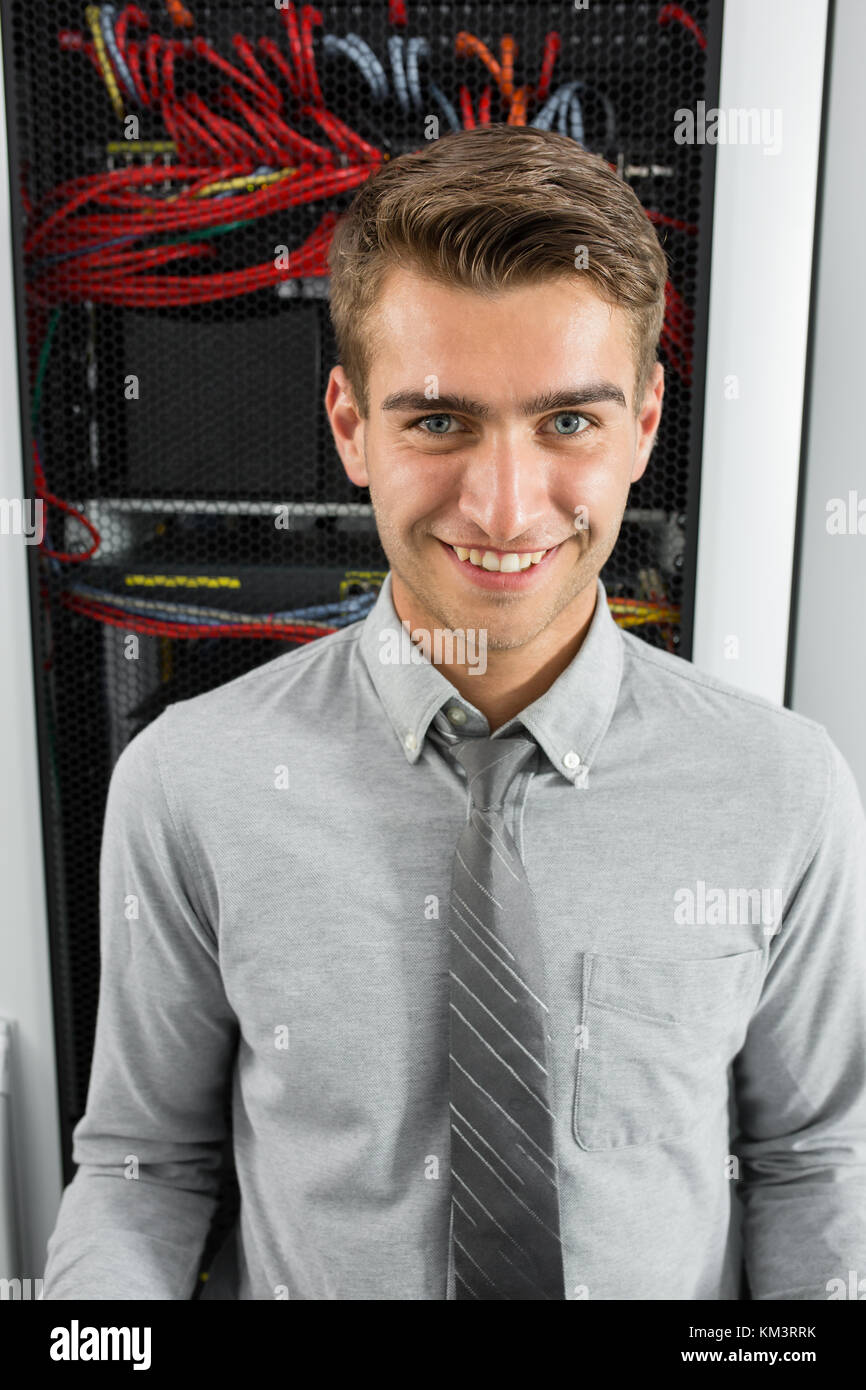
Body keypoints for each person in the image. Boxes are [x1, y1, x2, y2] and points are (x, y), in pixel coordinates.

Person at [43, 125, 866, 1300]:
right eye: (438, 421)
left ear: (641, 425)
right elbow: (142, 1166)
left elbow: (811, 1162)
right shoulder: (191, 782)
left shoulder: (784, 786)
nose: (502, 502)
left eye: (566, 422)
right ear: (349, 427)